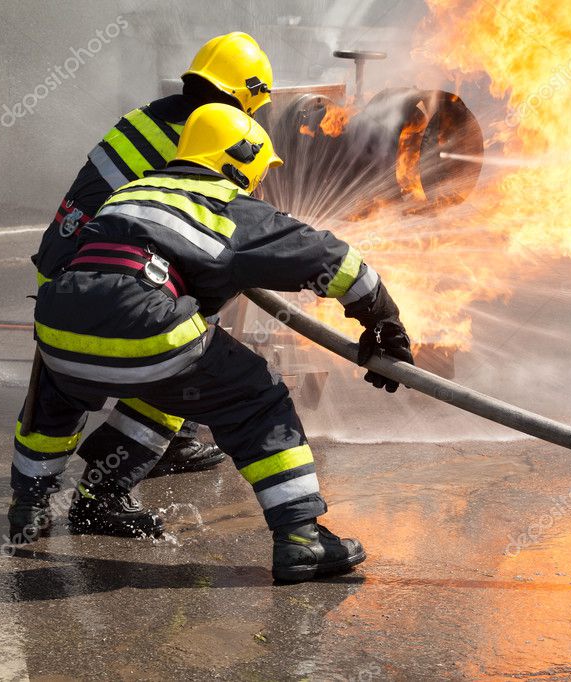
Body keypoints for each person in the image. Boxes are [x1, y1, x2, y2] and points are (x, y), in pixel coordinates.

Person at [30, 102, 414, 582]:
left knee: (148, 393)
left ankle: (63, 504)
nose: (257, 185)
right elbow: (333, 260)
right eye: (257, 174)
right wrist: (383, 321)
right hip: (145, 327)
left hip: (58, 333)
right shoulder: (227, 207)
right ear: (237, 161)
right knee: (256, 397)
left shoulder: (134, 190)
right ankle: (301, 537)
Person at [9, 32, 275, 542]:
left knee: (57, 391)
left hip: (60, 276)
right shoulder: (201, 140)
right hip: (108, 279)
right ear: (245, 96)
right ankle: (103, 495)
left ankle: (29, 506)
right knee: (179, 360)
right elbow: (215, 227)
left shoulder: (146, 117)